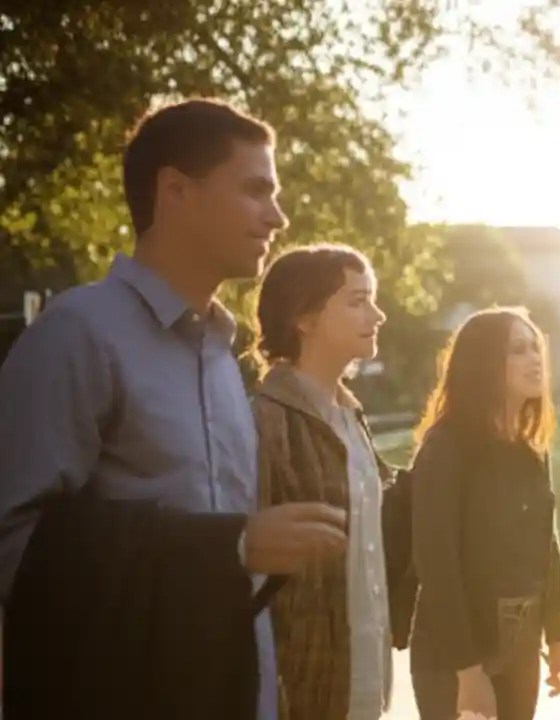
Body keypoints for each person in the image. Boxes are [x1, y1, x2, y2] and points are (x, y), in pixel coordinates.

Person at [0, 99, 346, 719]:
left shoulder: (223, 357)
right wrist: (227, 547)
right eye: (256, 190)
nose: (279, 217)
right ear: (176, 192)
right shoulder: (75, 335)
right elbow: (16, 549)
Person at [251, 244, 417, 720]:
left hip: (364, 681)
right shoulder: (264, 422)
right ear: (305, 318)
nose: (378, 315)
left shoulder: (351, 417)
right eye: (358, 301)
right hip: (299, 690)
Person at [409, 307, 560, 720]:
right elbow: (437, 566)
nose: (534, 359)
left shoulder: (530, 450)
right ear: (483, 362)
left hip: (521, 650)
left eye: (535, 348)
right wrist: (468, 672)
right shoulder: (445, 448)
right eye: (518, 350)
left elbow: (546, 547)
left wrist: (556, 639)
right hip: (455, 658)